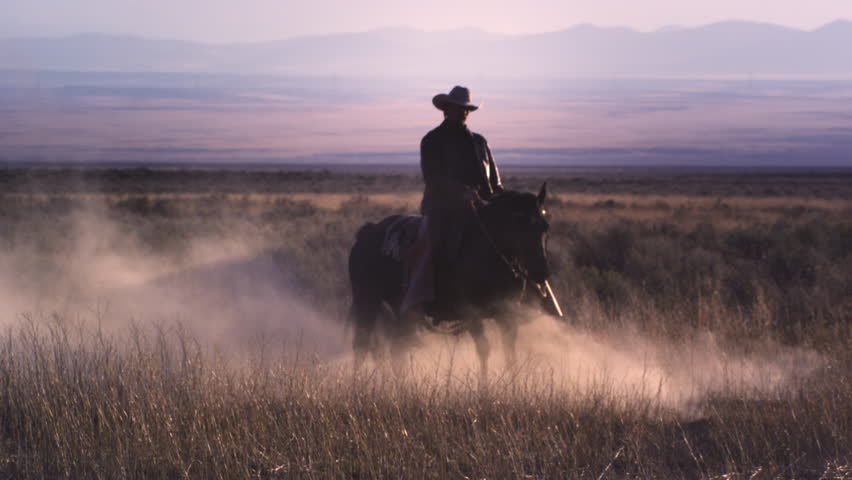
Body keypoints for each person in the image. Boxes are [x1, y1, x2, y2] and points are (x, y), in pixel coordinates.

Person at [401, 86, 504, 319]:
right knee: (432, 244)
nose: (462, 113)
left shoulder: (479, 142)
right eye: (458, 108)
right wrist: (462, 193)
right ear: (446, 109)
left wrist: (500, 200)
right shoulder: (432, 140)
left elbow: (495, 182)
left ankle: (529, 296)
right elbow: (433, 178)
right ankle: (421, 300)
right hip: (442, 208)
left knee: (516, 242)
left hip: (481, 208)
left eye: (466, 109)